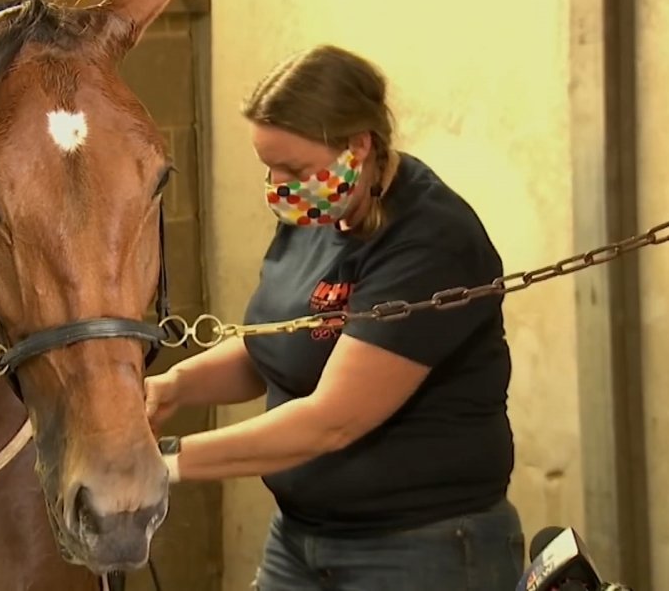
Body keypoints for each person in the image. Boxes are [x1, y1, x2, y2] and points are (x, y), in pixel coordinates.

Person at [146, 44, 524, 590]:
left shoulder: (431, 241)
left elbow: (333, 419)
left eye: (294, 168)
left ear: (358, 145)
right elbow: (276, 351)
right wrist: (176, 386)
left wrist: (165, 462)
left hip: (420, 545)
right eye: (269, 167)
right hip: (302, 537)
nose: (279, 184)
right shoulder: (320, 208)